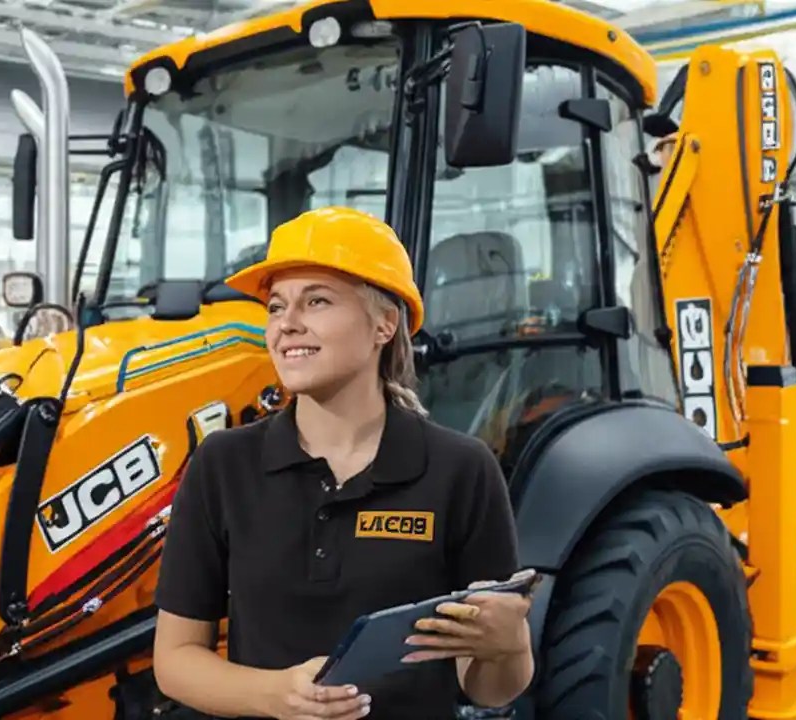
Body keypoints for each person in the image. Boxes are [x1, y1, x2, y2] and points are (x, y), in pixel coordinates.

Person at [151, 206, 534, 720]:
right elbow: (175, 659)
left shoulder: (460, 469)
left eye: (317, 301)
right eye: (276, 307)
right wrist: (276, 695)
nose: (287, 324)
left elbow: (489, 690)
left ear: (384, 324)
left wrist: (508, 646)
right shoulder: (223, 465)